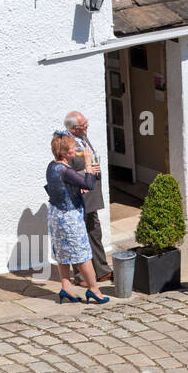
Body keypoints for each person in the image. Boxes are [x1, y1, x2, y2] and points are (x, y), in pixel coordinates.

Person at [45, 133, 109, 304]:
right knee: (83, 255)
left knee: (62, 252)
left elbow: (60, 187)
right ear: (65, 153)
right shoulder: (65, 170)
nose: (77, 149)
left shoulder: (52, 166)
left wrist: (76, 186)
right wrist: (88, 164)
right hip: (69, 217)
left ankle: (66, 288)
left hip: (55, 214)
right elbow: (88, 184)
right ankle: (94, 290)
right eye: (73, 147)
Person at [62, 111, 111, 282]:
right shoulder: (66, 144)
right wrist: (85, 173)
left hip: (91, 194)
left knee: (94, 231)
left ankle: (102, 270)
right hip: (78, 195)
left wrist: (93, 168)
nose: (87, 126)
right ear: (74, 128)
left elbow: (90, 159)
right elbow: (64, 170)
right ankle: (80, 275)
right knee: (78, 236)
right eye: (84, 125)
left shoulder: (83, 137)